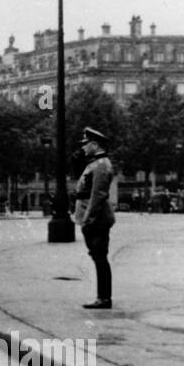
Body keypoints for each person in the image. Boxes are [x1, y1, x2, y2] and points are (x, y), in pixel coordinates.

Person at [74, 127, 116, 309]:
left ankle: (104, 298)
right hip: (94, 218)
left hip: (97, 219)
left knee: (99, 257)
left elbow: (98, 195)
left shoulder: (101, 165)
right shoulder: (97, 164)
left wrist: (88, 220)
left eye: (86, 144)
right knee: (98, 256)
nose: (83, 148)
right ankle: (103, 296)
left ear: (94, 144)